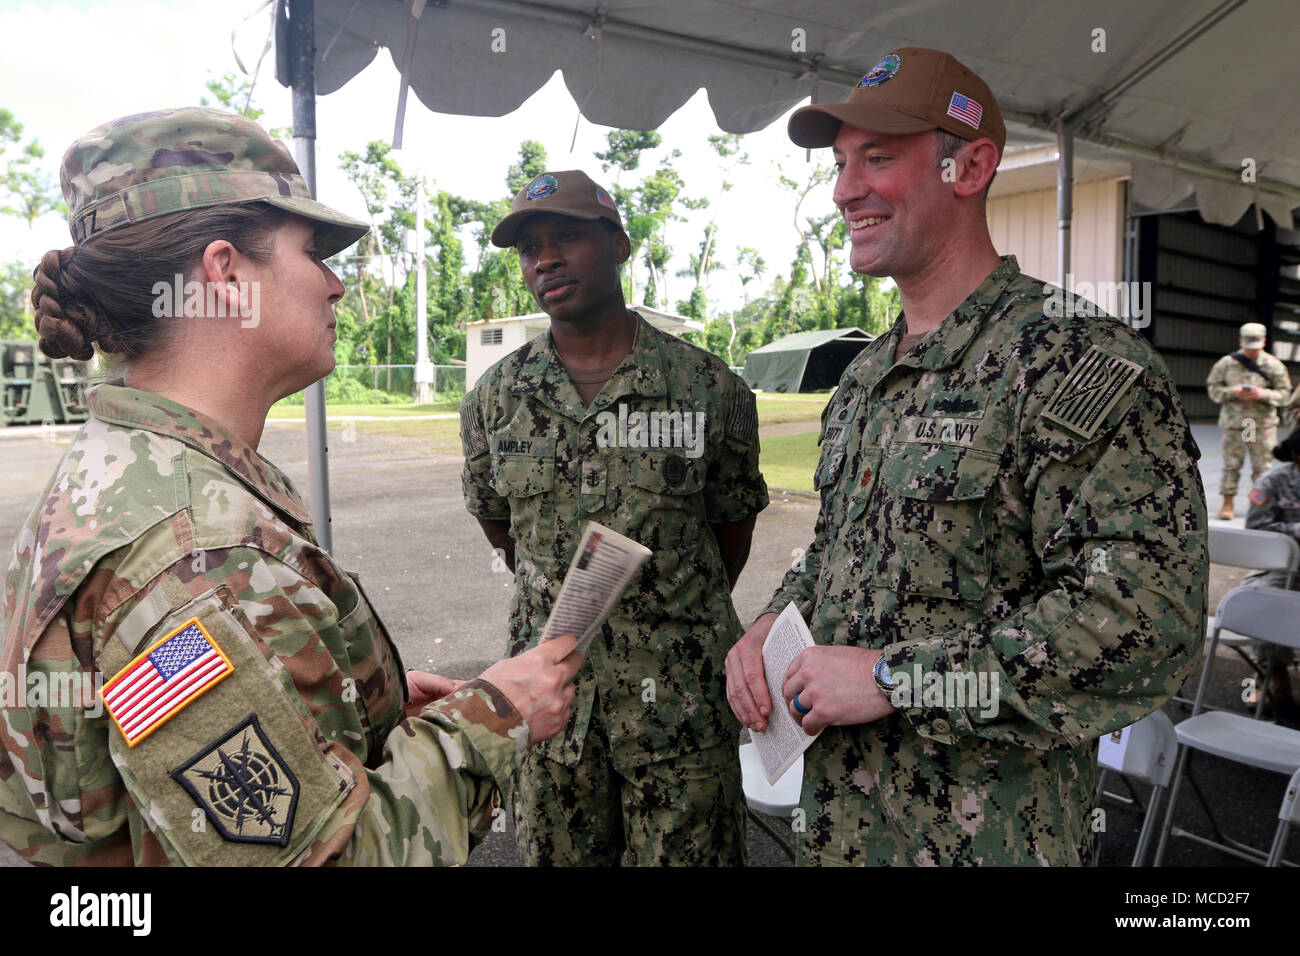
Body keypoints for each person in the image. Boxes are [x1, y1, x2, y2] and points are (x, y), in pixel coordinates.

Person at [0, 107, 583, 867]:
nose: (336, 285)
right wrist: (493, 717)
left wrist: (341, 706)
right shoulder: (194, 559)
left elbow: (147, 747)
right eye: (314, 253)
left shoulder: (126, 473)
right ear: (226, 273)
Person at [724, 47, 1208, 866]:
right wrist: (775, 616)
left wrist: (892, 679)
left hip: (987, 841)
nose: (845, 189)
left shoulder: (1076, 361)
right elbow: (842, 553)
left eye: (877, 158)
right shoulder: (869, 378)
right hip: (840, 828)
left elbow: (1146, 621)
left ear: (971, 164)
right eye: (842, 164)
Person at [460, 170, 769, 865]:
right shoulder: (496, 398)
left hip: (680, 709)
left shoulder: (707, 388)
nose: (545, 258)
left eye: (566, 236)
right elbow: (499, 524)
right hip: (551, 704)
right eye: (529, 247)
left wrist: (661, 612)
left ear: (619, 245)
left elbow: (731, 530)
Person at [1241, 430, 1300, 722]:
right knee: (1263, 605)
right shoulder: (1271, 482)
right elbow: (1256, 531)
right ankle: (1277, 681)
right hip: (1281, 567)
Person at [1206, 322, 1291, 520]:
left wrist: (1263, 394)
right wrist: (1231, 391)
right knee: (1231, 464)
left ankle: (1261, 505)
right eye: (1248, 347)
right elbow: (1213, 390)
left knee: (1262, 467)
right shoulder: (1226, 363)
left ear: (1264, 342)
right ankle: (1228, 504)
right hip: (1236, 423)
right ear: (1240, 342)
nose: (1252, 351)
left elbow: (1286, 394)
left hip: (1260, 424)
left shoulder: (1274, 365)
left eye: (1256, 347)